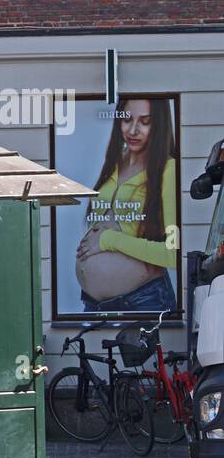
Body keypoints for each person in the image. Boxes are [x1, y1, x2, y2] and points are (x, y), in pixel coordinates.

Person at [75, 97, 178, 313]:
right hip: (93, 305)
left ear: (159, 125)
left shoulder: (168, 170)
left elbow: (172, 254)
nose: (133, 130)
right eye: (127, 119)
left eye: (145, 121)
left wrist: (108, 240)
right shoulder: (115, 162)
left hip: (144, 301)